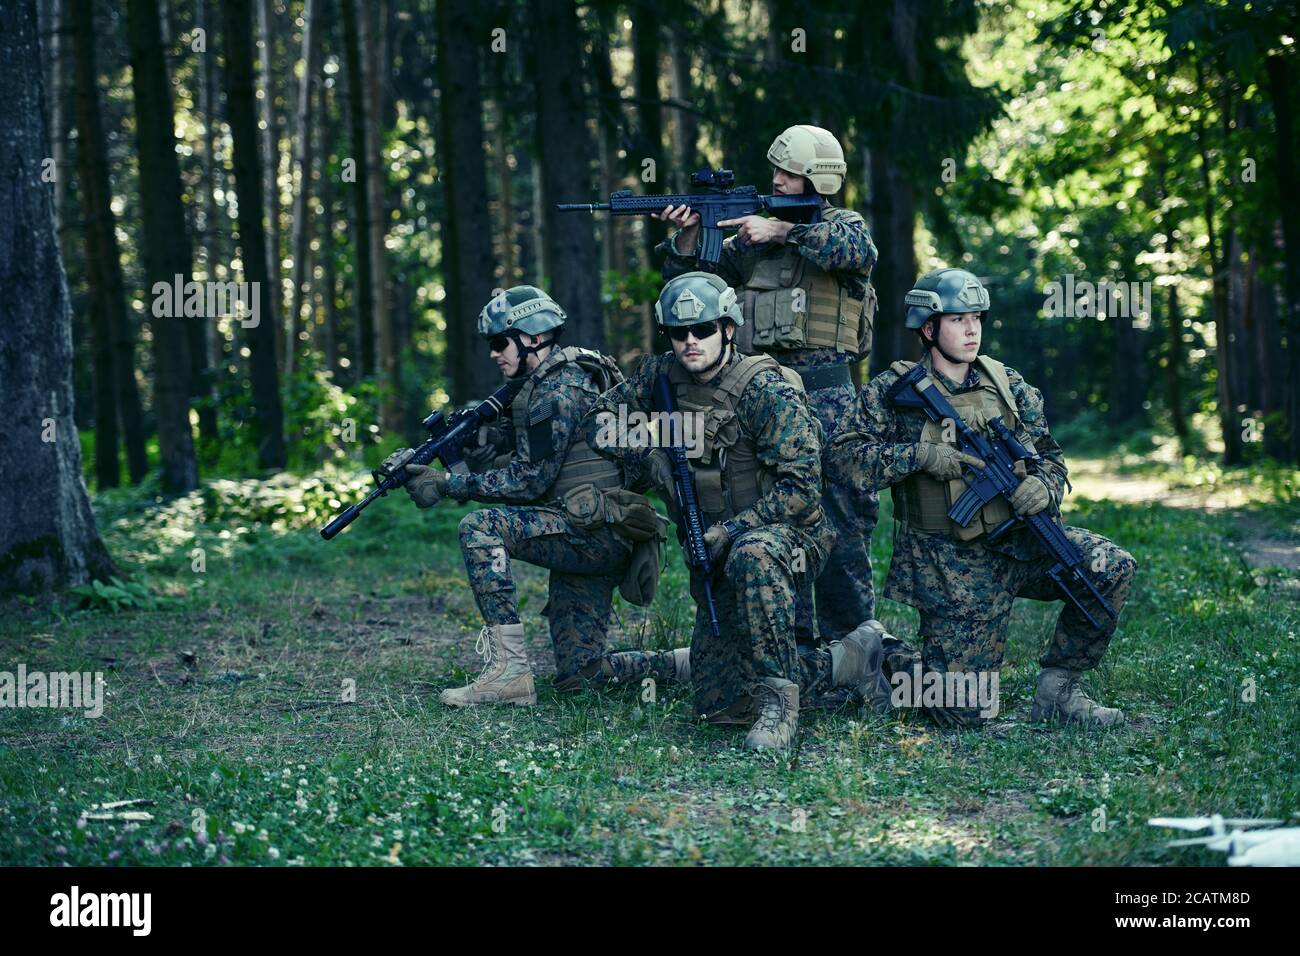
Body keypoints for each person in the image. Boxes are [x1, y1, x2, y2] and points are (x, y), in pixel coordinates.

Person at [582, 271, 891, 750]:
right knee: (720, 704)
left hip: (788, 539)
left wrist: (733, 529)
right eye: (678, 333)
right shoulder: (659, 378)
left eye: (702, 329)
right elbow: (598, 423)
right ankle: (851, 657)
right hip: (713, 545)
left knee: (754, 553)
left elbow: (802, 490)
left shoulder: (766, 390)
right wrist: (651, 454)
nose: (689, 342)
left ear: (728, 328)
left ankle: (781, 706)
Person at [825, 268, 1137, 728]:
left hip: (1019, 541)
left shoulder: (1006, 383)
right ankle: (879, 652)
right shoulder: (894, 392)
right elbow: (843, 459)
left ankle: (1060, 692)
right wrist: (920, 456)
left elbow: (1050, 455)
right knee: (961, 714)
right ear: (928, 328)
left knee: (1108, 567)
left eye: (976, 318)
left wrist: (1043, 485)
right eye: (957, 320)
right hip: (950, 562)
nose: (971, 330)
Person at [382, 285, 686, 707]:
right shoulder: (544, 386)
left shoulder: (559, 392)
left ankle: (509, 673)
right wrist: (474, 447)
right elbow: (532, 454)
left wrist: (445, 484)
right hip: (592, 529)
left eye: (500, 342)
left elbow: (529, 483)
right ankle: (685, 663)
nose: (493, 353)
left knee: (480, 528)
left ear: (534, 337)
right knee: (581, 675)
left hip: (592, 532)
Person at [654, 124, 878, 649]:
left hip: (829, 399)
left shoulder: (841, 225)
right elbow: (699, 283)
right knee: (776, 513)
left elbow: (855, 249)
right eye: (775, 169)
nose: (776, 179)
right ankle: (793, 649)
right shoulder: (751, 243)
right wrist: (687, 239)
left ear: (817, 181)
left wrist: (781, 230)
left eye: (789, 173)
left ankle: (854, 648)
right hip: (763, 401)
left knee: (841, 521)